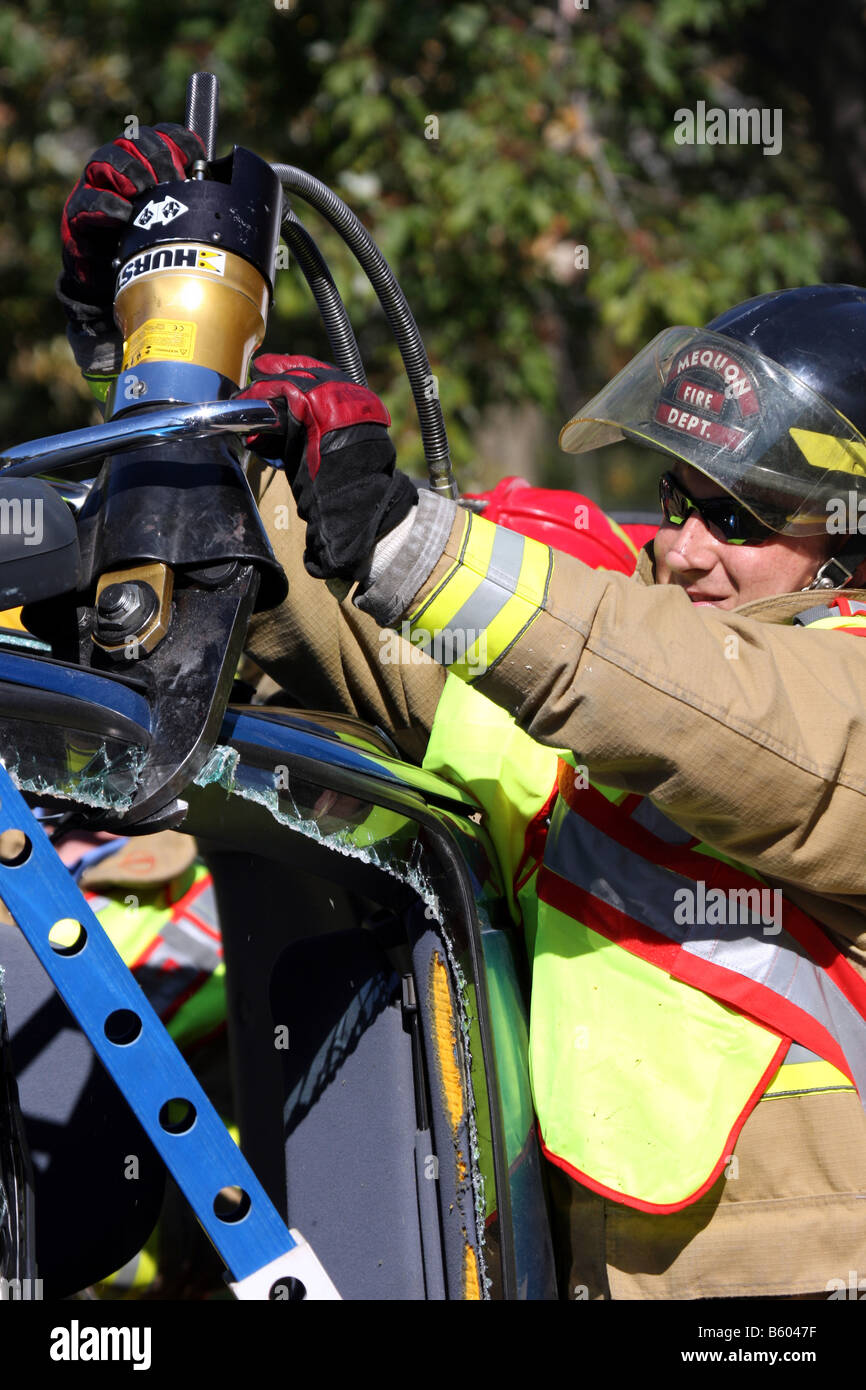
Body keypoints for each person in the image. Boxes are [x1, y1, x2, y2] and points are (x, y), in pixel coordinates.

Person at [57, 127, 866, 1300]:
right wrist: (156, 372)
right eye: (677, 495)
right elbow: (297, 589)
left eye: (741, 519)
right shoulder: (584, 639)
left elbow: (709, 707)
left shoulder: (787, 694)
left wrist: (401, 532)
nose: (684, 548)